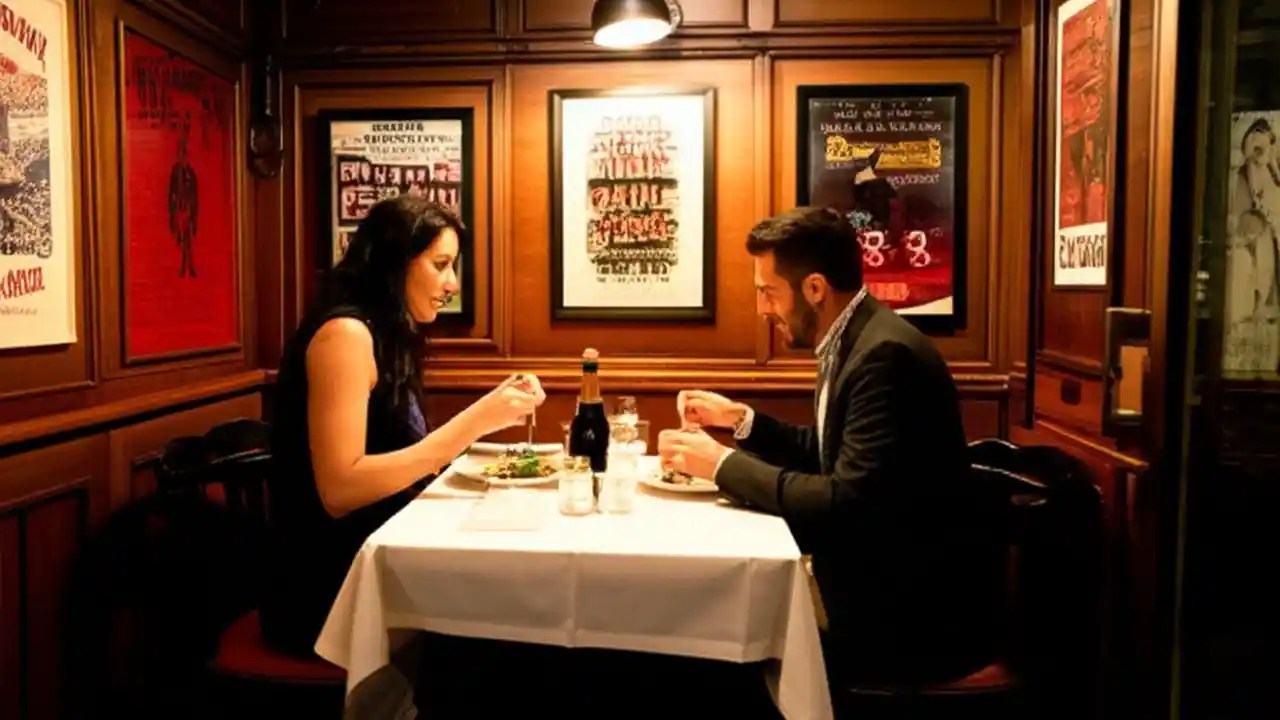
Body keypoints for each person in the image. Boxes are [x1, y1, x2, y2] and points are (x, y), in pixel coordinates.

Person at [658, 206, 1004, 687]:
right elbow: (829, 451)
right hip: (879, 594)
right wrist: (741, 421)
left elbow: (845, 502)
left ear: (815, 289)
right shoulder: (856, 337)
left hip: (903, 624)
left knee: (709, 657)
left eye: (768, 292)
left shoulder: (884, 356)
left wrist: (720, 465)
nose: (762, 308)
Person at [259, 196, 546, 656]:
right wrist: (476, 421)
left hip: (374, 561)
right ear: (395, 262)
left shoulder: (388, 334)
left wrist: (486, 416)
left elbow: (401, 454)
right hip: (329, 590)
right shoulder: (345, 336)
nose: (452, 283)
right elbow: (340, 490)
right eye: (441, 264)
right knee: (509, 628)